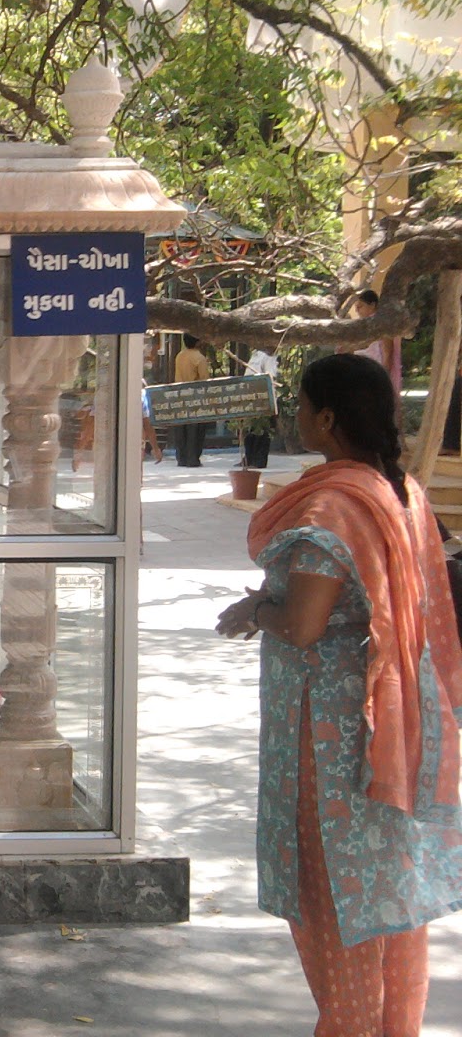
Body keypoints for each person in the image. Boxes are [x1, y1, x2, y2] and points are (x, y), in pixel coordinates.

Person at [215, 353, 462, 1036]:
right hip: (394, 726)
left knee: (338, 907)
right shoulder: (400, 491)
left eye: (300, 405)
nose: (295, 418)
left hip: (333, 740)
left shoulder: (330, 505)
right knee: (388, 900)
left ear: (326, 417)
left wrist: (255, 614)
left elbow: (304, 625)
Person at [348, 288, 403, 399]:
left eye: (360, 306)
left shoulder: (381, 326)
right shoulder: (361, 327)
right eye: (356, 308)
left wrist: (382, 380)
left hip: (375, 375)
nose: (358, 311)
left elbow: (388, 355)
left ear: (372, 305)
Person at [171, 333, 211, 467]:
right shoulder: (199, 358)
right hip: (195, 396)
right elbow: (204, 379)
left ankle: (181, 458)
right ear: (198, 342)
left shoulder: (179, 356)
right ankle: (193, 458)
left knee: (181, 427)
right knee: (195, 428)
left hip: (180, 395)